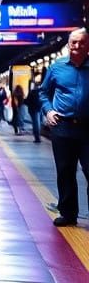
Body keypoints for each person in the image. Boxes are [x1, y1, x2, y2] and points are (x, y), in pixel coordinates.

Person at [40, 28, 89, 227]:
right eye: (73, 42)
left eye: (82, 42)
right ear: (68, 44)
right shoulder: (56, 67)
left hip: (88, 129)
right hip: (63, 127)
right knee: (65, 171)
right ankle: (68, 214)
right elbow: (43, 93)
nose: (77, 46)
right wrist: (48, 111)